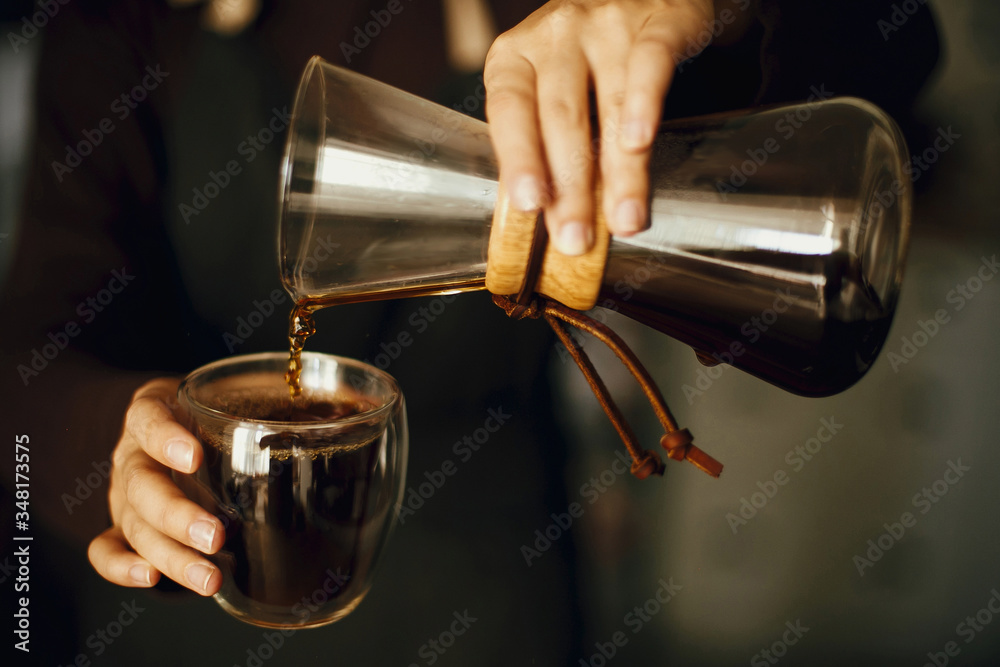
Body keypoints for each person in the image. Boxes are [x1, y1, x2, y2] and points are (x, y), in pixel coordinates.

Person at [0, 0, 938, 663]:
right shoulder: (120, 25)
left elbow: (896, 59)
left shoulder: (562, 17)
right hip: (188, 617)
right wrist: (112, 436)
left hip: (490, 606)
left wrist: (719, 6)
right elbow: (23, 379)